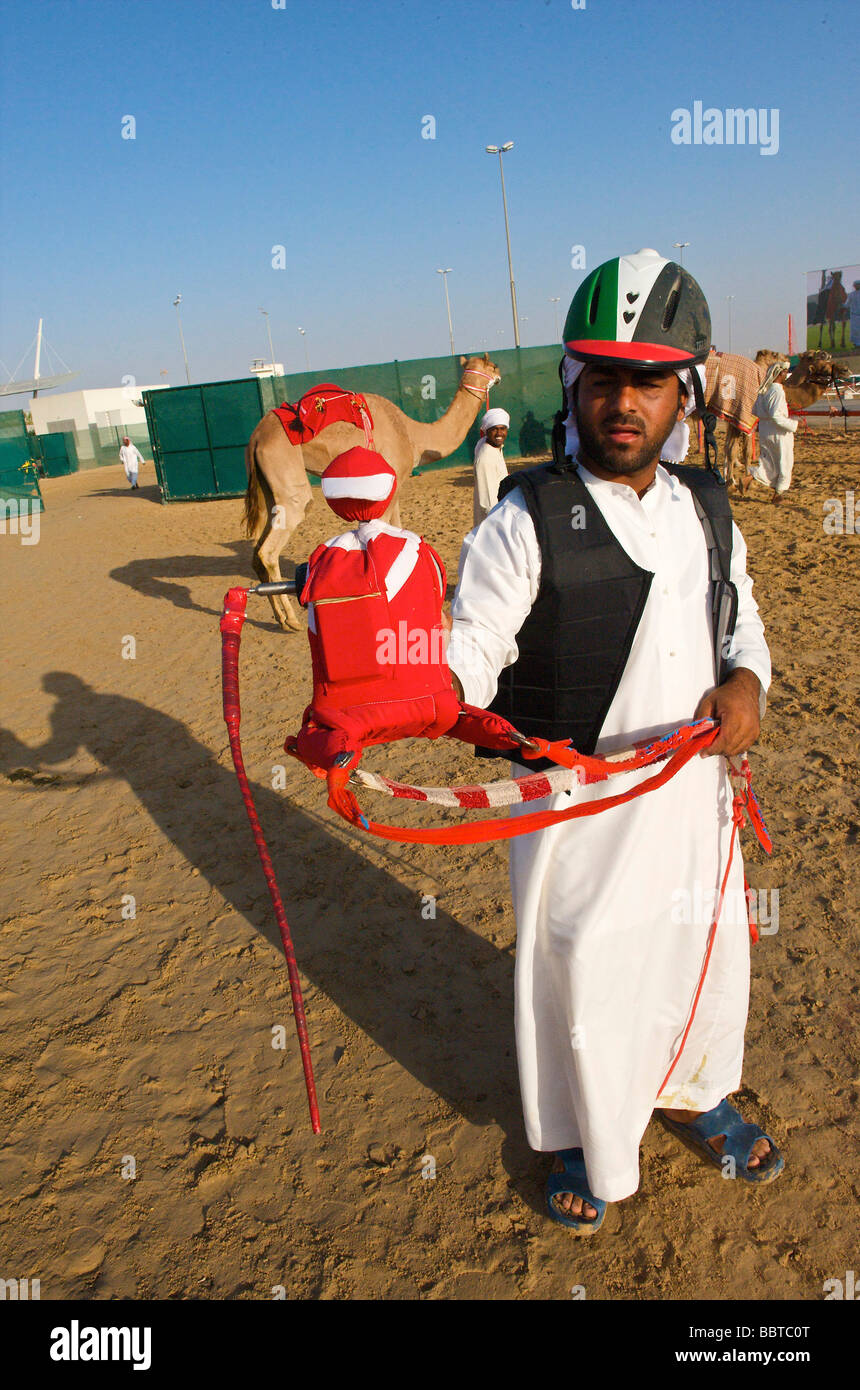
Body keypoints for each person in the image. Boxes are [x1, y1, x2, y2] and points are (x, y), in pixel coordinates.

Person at [445, 248, 782, 1233]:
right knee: (579, 966)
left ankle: (697, 1089)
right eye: (603, 380)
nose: (622, 403)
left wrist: (746, 681)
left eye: (645, 380)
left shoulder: (707, 513)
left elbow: (741, 619)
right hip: (572, 817)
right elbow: (472, 646)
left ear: (682, 393)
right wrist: (406, 691)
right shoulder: (525, 519)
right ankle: (575, 1138)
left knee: (703, 952)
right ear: (572, 386)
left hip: (693, 809)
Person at [742, 362, 798, 504]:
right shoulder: (777, 391)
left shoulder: (764, 391)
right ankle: (778, 495)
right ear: (780, 374)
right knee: (784, 463)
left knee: (769, 462)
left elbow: (755, 411)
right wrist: (795, 424)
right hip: (778, 433)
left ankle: (749, 478)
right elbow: (776, 416)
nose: (786, 375)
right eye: (785, 372)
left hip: (766, 431)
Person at [472, 407, 509, 527]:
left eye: (502, 429)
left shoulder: (490, 444)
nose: (499, 433)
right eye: (494, 429)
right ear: (487, 431)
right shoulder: (486, 458)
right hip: (493, 521)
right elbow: (488, 502)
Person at [847, 279, 860, 351]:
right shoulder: (851, 294)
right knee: (855, 331)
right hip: (854, 315)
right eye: (856, 285)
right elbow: (847, 304)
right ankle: (856, 345)